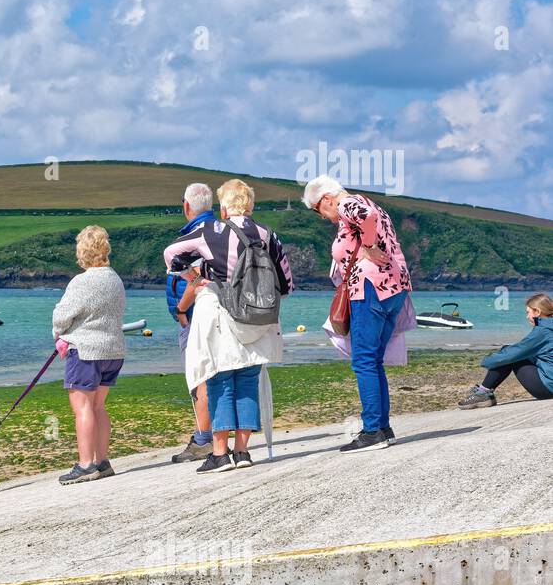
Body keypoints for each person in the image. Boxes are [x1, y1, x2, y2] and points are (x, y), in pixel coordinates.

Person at [163, 179, 294, 474]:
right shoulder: (267, 233)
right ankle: (243, 451)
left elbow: (171, 254)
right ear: (249, 205)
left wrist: (194, 276)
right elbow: (286, 282)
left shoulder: (210, 230)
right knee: (247, 381)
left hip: (221, 314)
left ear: (223, 207)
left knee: (219, 380)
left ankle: (219, 453)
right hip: (258, 318)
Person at [303, 175, 413, 452]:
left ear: (326, 199)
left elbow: (365, 216)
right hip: (394, 288)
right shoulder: (370, 204)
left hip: (370, 288)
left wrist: (370, 246)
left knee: (364, 360)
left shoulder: (347, 204)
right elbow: (371, 216)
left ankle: (373, 431)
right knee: (374, 360)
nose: (323, 217)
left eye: (319, 210)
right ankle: (383, 427)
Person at [52, 225, 127, 484]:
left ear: (82, 251)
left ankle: (86, 465)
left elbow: (62, 315)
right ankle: (101, 461)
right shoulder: (114, 278)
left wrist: (58, 333)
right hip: (113, 349)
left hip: (86, 350)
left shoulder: (82, 281)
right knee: (98, 407)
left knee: (82, 408)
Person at [166, 183, 217, 462]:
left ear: (186, 206)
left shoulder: (196, 235)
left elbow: (197, 277)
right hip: (207, 315)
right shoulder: (216, 230)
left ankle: (203, 438)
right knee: (209, 376)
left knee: (199, 378)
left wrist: (182, 309)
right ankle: (210, 434)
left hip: (196, 316)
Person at [458, 294, 553, 408]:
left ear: (537, 312)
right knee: (513, 353)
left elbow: (512, 354)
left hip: (547, 388)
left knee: (509, 354)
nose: (527, 316)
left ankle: (483, 393)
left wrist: (486, 361)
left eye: (528, 312)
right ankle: (484, 393)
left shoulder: (543, 331)